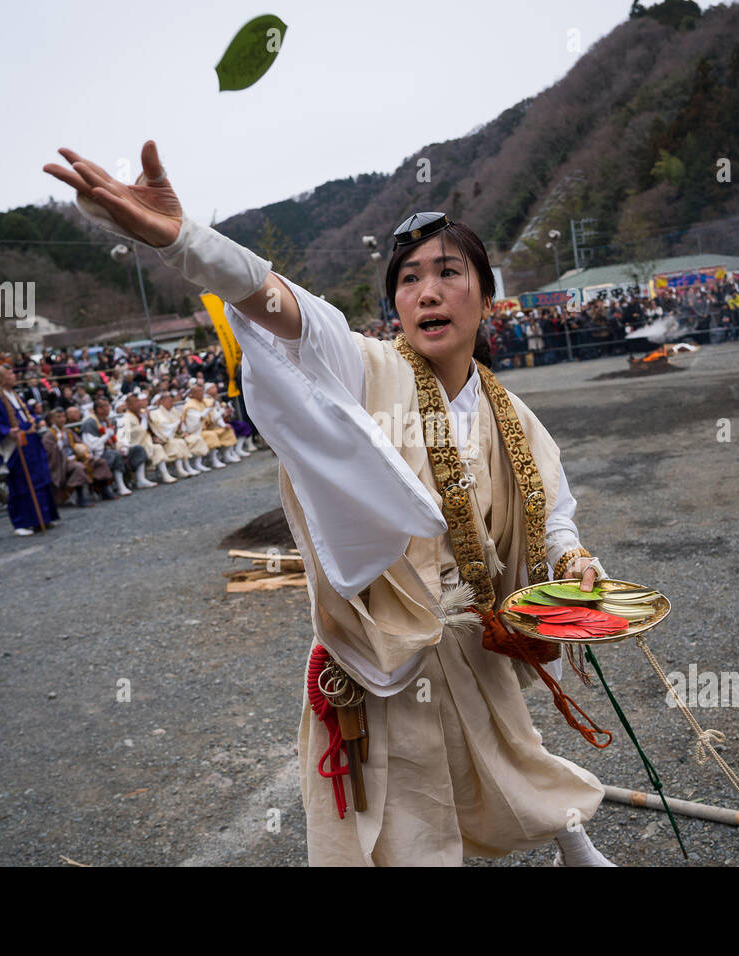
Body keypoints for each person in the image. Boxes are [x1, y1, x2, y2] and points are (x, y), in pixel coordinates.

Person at [46, 141, 614, 867]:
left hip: (476, 632)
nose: (428, 292)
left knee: (511, 756)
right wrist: (184, 241)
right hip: (386, 641)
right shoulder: (368, 368)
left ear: (485, 293)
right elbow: (287, 310)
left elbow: (553, 509)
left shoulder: (512, 414)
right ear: (395, 302)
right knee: (402, 811)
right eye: (409, 279)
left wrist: (572, 557)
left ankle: (570, 835)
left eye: (448, 272)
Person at [0, 365, 59, 536]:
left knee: (39, 479)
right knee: (20, 483)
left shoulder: (16, 395)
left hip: (30, 441)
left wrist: (36, 420)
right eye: (10, 373)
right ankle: (21, 522)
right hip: (15, 445)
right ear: (2, 378)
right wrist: (8, 431)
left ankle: (44, 516)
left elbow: (28, 413)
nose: (14, 376)